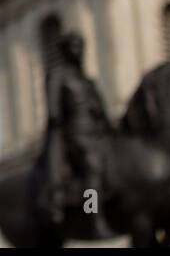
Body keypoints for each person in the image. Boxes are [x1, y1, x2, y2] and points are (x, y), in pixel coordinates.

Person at [41, 31, 115, 237]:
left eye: (80, 46)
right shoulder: (58, 77)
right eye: (73, 46)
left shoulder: (87, 81)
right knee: (93, 165)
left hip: (98, 134)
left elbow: (102, 112)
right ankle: (93, 215)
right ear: (65, 50)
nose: (78, 51)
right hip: (75, 135)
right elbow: (55, 114)